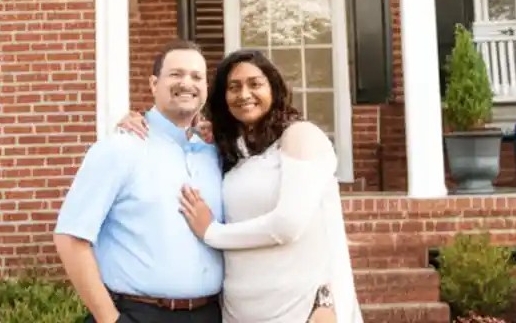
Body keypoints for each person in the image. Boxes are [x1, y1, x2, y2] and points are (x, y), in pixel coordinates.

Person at [118, 49, 362, 323]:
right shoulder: (232, 150)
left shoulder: (301, 136)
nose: (244, 94)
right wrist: (139, 122)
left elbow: (287, 225)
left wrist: (211, 231)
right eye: (233, 87)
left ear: (274, 88)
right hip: (238, 311)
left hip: (296, 306)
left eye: (255, 84)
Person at [53, 40, 224, 323]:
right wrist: (110, 319)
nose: (187, 83)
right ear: (154, 84)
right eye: (176, 74)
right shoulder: (120, 149)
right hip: (138, 313)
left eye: (197, 76)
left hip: (211, 314)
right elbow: (70, 238)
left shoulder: (216, 154)